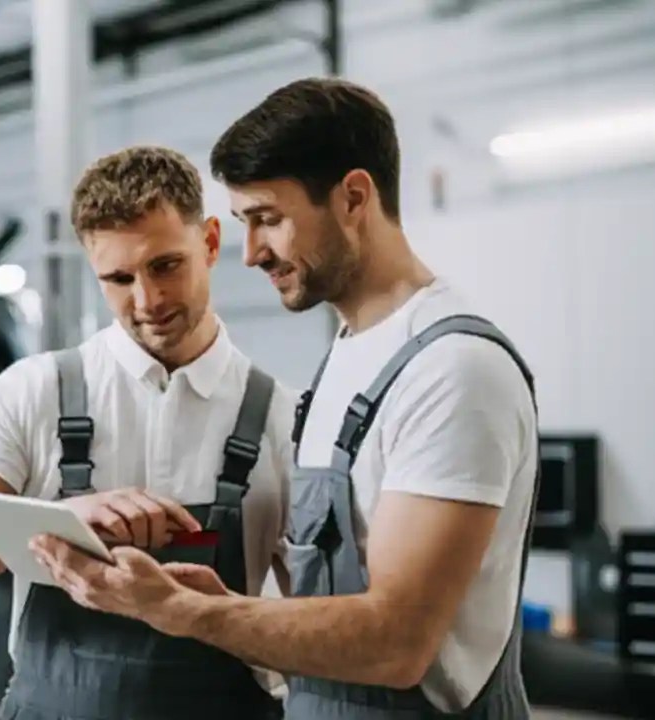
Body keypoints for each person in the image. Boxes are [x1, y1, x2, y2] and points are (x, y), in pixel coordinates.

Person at [30, 77, 540, 719]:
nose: (250, 254)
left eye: (268, 219)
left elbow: (396, 642)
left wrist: (183, 611)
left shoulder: (453, 371)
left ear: (353, 198)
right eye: (244, 223)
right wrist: (221, 604)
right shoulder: (347, 360)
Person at [0, 145, 298, 720]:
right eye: (119, 278)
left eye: (166, 265)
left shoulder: (282, 418)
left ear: (210, 242)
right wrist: (58, 522)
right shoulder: (33, 393)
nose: (147, 300)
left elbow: (322, 615)